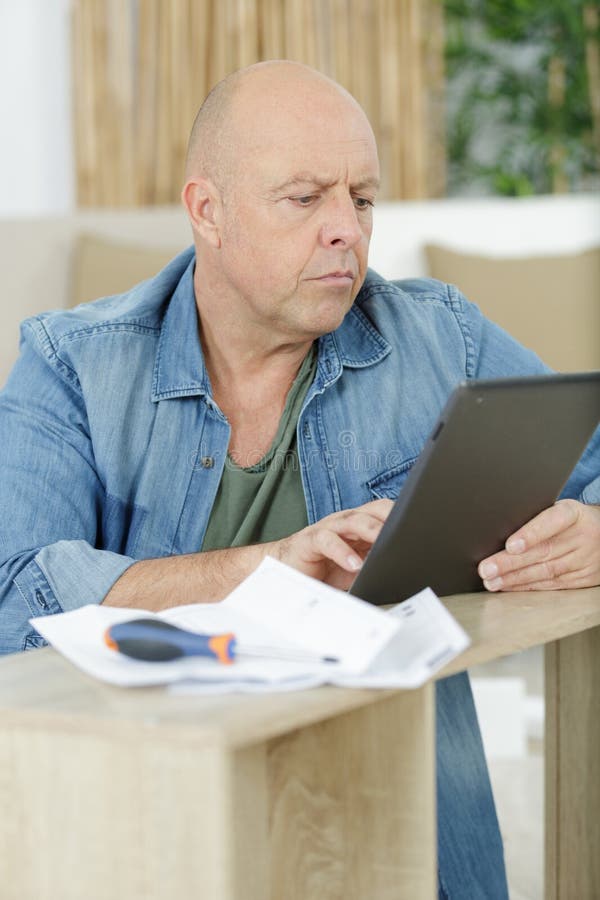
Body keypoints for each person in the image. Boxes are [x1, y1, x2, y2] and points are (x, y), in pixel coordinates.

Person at [1, 60, 599, 897]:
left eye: (361, 199)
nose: (345, 230)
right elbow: (12, 597)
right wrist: (264, 570)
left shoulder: (441, 335)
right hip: (146, 835)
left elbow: (592, 459)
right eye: (305, 197)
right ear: (207, 211)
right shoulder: (69, 365)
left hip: (409, 832)